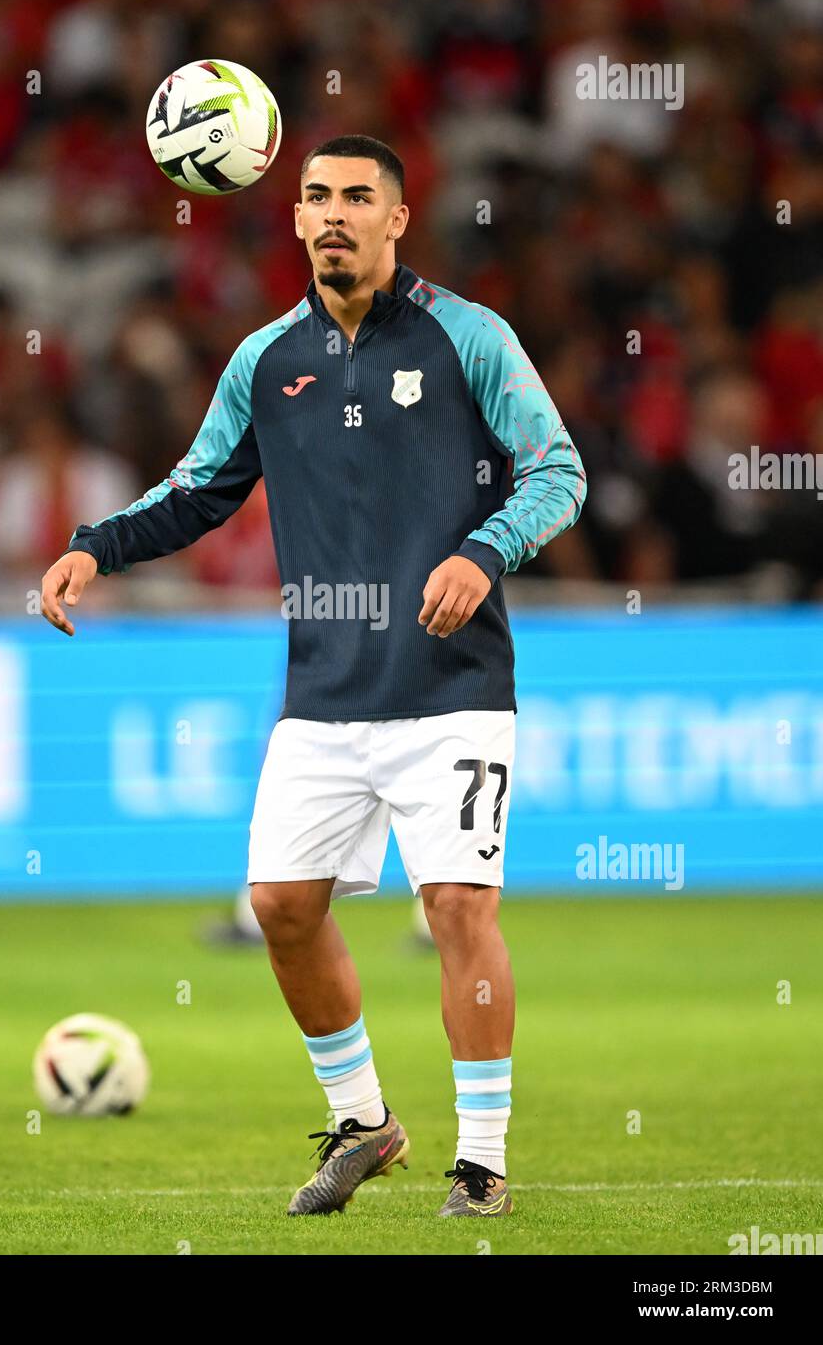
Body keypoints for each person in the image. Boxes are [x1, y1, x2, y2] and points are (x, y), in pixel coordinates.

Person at [41, 134, 587, 1218]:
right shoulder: (263, 361)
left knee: (459, 908)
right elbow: (198, 490)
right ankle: (364, 1122)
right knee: (282, 906)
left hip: (453, 687)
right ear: (294, 219)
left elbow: (559, 468)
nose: (333, 214)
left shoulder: (467, 337)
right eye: (316, 198)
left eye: (357, 199)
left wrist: (482, 554)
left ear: (397, 218)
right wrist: (95, 544)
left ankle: (481, 1162)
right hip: (325, 693)